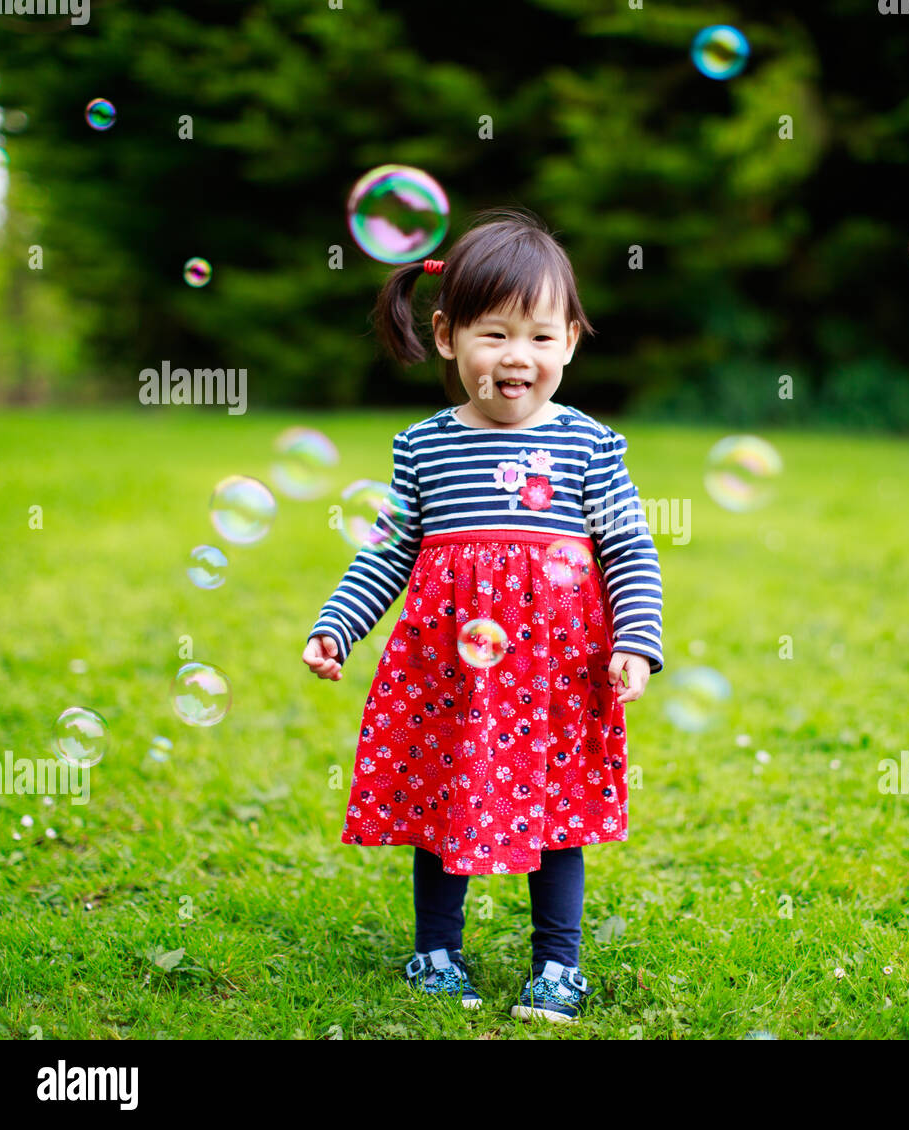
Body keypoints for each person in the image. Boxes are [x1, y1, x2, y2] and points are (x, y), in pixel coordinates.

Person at [302, 207, 663, 1023]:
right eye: (494, 335)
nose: (516, 358)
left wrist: (637, 641)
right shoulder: (425, 445)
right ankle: (436, 951)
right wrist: (337, 624)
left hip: (557, 675)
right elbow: (388, 552)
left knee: (557, 813)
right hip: (447, 674)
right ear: (445, 336)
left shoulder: (590, 446)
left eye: (539, 337)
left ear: (570, 341)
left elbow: (630, 552)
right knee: (440, 803)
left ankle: (557, 966)